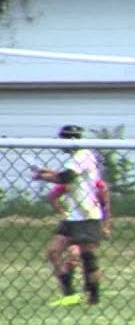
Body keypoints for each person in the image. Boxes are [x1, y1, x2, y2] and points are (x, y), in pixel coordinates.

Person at [31, 125, 107, 306]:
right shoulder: (75, 158)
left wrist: (43, 177)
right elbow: (65, 174)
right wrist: (44, 171)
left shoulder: (83, 155)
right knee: (53, 251)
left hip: (86, 214)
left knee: (88, 257)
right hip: (73, 215)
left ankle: (93, 298)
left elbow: (66, 177)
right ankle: (69, 294)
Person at [45, 175, 110, 306]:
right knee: (53, 252)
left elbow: (105, 204)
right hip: (70, 222)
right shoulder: (71, 178)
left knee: (85, 257)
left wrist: (106, 225)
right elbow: (53, 195)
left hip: (89, 221)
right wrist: (62, 211)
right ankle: (70, 293)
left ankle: (93, 295)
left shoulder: (97, 183)